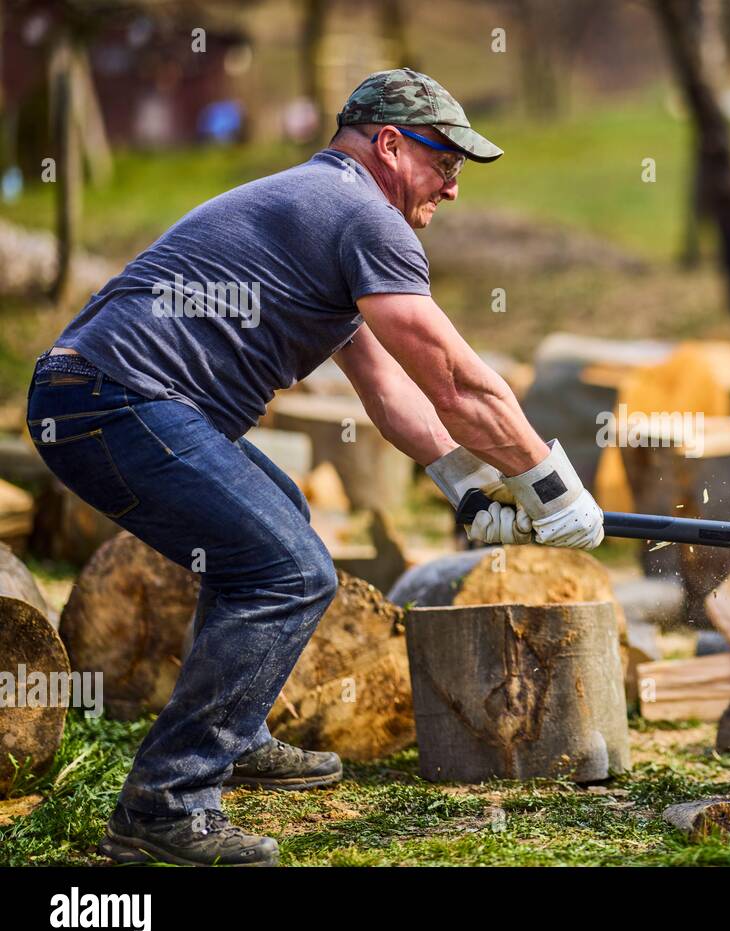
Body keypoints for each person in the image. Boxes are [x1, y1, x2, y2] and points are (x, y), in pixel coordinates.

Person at [25, 68, 603, 866]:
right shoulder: (364, 215)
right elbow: (458, 381)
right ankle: (164, 804)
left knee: (280, 515)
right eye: (446, 164)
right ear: (391, 145)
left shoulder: (317, 211)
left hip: (99, 393)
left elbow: (388, 389)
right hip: (114, 399)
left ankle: (236, 736)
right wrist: (554, 488)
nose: (453, 189)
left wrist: (464, 487)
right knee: (290, 571)